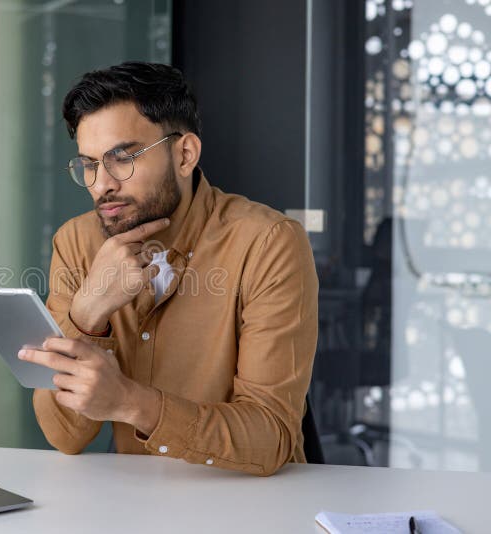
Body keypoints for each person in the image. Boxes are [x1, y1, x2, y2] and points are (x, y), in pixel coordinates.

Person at [16, 61, 319, 476]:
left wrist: (128, 401)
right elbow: (65, 436)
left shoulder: (268, 242)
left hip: (245, 503)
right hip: (128, 506)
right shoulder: (76, 243)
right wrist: (87, 316)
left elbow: (270, 438)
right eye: (89, 164)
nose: (101, 184)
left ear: (185, 154)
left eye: (121, 158)